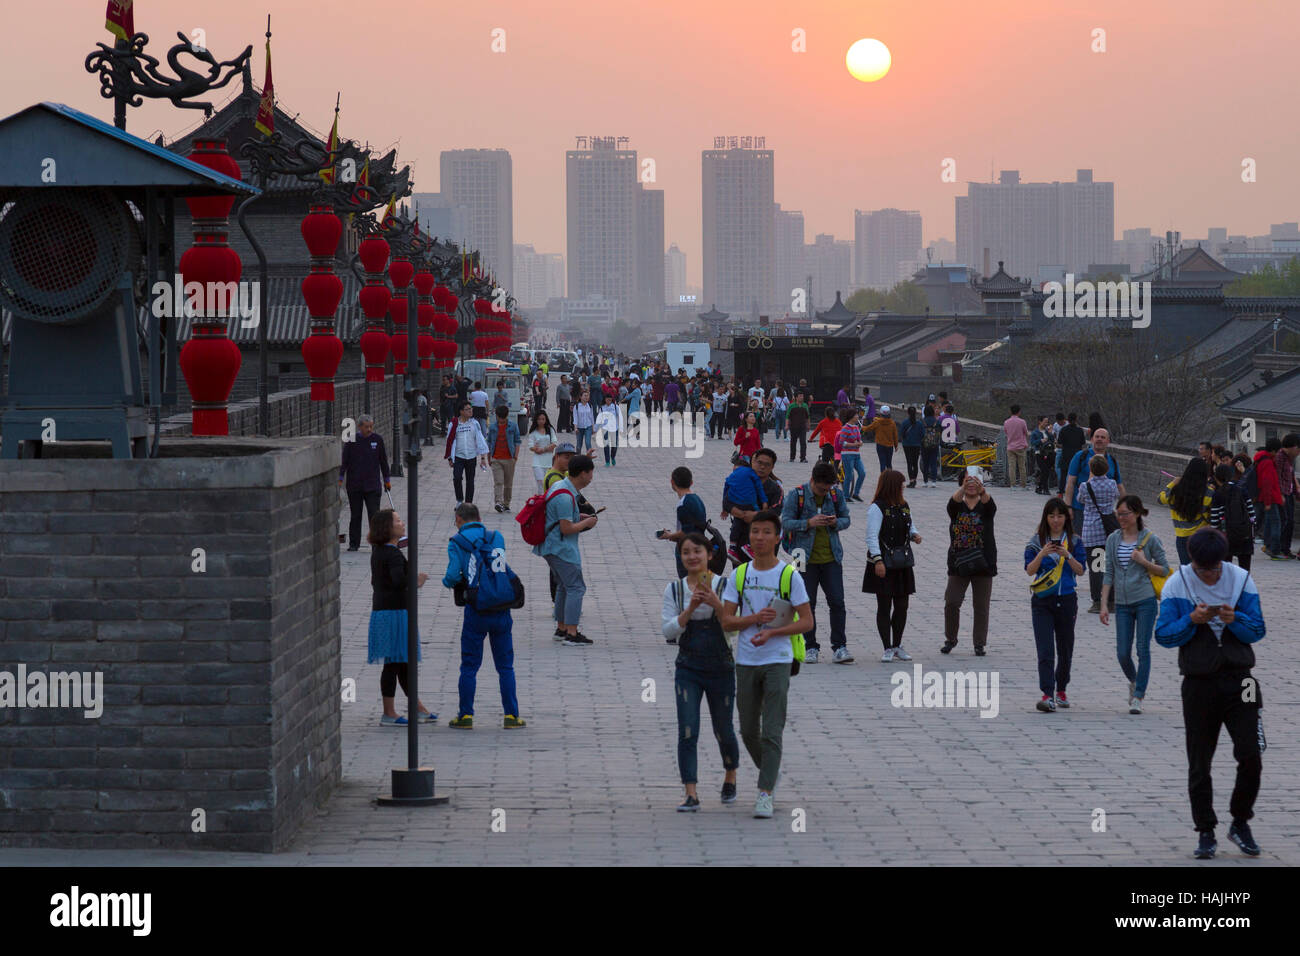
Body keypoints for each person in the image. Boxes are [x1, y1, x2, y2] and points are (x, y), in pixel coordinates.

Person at [1155, 528, 1266, 859]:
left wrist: (1236, 619)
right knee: (1199, 760)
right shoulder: (1178, 583)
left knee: (1251, 755)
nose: (1211, 575)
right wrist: (1192, 619)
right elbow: (1163, 635)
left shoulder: (1241, 580)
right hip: (1199, 681)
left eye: (1215, 568)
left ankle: (1240, 821)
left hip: (1240, 679)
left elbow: (1257, 629)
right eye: (1205, 570)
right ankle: (1205, 829)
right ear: (1193, 562)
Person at [721, 510, 811, 820]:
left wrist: (773, 632)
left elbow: (808, 622)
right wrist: (754, 620)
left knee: (772, 729)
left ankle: (764, 792)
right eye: (755, 532)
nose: (759, 537)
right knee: (747, 730)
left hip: (778, 659)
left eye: (765, 532)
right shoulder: (740, 574)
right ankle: (770, 772)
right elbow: (726, 619)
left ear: (777, 538)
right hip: (746, 659)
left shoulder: (789, 575)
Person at [663, 534, 740, 811]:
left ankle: (730, 775)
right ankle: (690, 792)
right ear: (681, 558)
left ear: (709, 554)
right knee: (687, 729)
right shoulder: (675, 590)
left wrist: (717, 603)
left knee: (724, 729)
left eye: (698, 551)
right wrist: (691, 608)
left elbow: (734, 627)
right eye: (686, 552)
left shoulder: (725, 585)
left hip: (721, 666)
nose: (692, 557)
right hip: (688, 667)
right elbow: (668, 630)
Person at [442, 503, 523, 729]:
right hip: (501, 607)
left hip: (476, 609)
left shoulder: (456, 542)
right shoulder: (496, 537)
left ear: (459, 519)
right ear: (478, 517)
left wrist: (451, 582)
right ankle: (511, 716)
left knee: (469, 666)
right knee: (505, 666)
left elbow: (451, 576)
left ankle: (466, 715)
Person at [1100, 495, 1171, 714]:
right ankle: (1135, 680)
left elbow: (1166, 569)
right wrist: (1104, 604)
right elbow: (1108, 572)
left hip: (1145, 601)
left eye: (1125, 514)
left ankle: (1139, 695)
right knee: (1122, 652)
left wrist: (1144, 562)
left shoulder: (1150, 539)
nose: (1121, 518)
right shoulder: (1113, 539)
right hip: (1121, 603)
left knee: (1142, 648)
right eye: (1118, 514)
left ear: (1137, 514)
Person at [367, 509, 436, 726]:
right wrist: (416, 580)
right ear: (387, 528)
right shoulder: (393, 554)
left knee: (402, 662)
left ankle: (417, 708)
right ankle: (389, 712)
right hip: (394, 613)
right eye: (397, 521)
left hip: (384, 611)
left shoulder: (380, 551)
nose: (402, 523)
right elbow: (398, 580)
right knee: (394, 663)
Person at [780, 461, 852, 665]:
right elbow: (785, 522)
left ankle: (839, 646)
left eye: (829, 488)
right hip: (801, 556)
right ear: (813, 480)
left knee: (837, 602)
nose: (826, 491)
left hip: (832, 557)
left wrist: (835, 522)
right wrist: (808, 523)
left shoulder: (836, 495)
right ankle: (809, 646)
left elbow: (847, 519)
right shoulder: (797, 495)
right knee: (805, 603)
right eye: (822, 488)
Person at [1024, 497, 1087, 712]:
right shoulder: (1035, 540)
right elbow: (1030, 570)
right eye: (1052, 516)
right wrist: (1042, 554)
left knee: (1065, 648)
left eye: (1060, 516)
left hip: (1067, 599)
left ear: (1066, 518)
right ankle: (1047, 693)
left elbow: (1080, 570)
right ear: (1046, 517)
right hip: (1042, 601)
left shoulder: (1076, 541)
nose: (1056, 520)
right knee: (1045, 649)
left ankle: (1061, 689)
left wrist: (1067, 554)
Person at [534, 453, 599, 646]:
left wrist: (578, 516)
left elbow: (562, 519)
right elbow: (566, 528)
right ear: (582, 474)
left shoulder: (561, 487)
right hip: (561, 547)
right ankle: (572, 632)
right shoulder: (565, 495)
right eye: (591, 473)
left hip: (553, 546)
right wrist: (587, 522)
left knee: (564, 586)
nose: (592, 477)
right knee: (576, 587)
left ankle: (561, 628)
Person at [863, 469, 921, 662]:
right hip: (884, 562)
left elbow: (909, 525)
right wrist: (877, 560)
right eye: (901, 484)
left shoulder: (904, 506)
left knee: (902, 605)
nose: (903, 488)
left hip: (902, 562)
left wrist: (915, 534)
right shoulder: (877, 508)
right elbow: (871, 536)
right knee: (884, 604)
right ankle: (887, 646)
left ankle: (897, 644)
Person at [942, 470, 997, 656]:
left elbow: (991, 508)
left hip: (984, 562)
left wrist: (982, 492)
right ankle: (950, 639)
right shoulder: (957, 505)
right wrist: (963, 487)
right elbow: (951, 506)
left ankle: (979, 643)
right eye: (968, 481)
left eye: (975, 481)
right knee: (952, 601)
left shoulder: (985, 505)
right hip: (959, 562)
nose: (971, 484)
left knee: (981, 606)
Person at [339, 414, 391, 552]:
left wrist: (387, 480)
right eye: (366, 427)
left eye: (371, 427)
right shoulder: (351, 441)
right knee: (355, 515)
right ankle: (354, 543)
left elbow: (383, 461)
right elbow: (344, 461)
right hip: (354, 485)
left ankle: (376, 543)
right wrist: (340, 477)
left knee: (374, 516)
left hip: (372, 485)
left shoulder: (377, 440)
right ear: (360, 426)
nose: (369, 429)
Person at [1079, 454, 1119, 614]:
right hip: (1109, 530)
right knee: (1110, 566)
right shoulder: (1112, 484)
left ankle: (1096, 601)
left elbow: (1080, 499)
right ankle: (1111, 600)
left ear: (1091, 469)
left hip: (1092, 531)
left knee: (1096, 568)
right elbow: (1116, 497)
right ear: (1107, 468)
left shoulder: (1085, 486)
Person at [1063, 428, 1124, 529]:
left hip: (1104, 514)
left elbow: (1120, 486)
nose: (1099, 439)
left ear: (1108, 441)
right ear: (1091, 439)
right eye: (1097, 437)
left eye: (1103, 437)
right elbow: (1070, 483)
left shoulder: (1112, 461)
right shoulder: (1080, 456)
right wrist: (1068, 507)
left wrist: (1128, 508)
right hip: (1080, 511)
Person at [1159, 456, 1213, 565]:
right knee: (1202, 569)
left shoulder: (1176, 492)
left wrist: (1173, 483)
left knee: (1187, 571)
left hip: (1182, 538)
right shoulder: (1208, 492)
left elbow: (1160, 499)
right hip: (1201, 537)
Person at [660, 466, 709, 582]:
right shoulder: (697, 499)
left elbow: (686, 532)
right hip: (701, 548)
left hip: (687, 549)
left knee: (688, 584)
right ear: (691, 482)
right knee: (703, 584)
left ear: (672, 482)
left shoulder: (683, 504)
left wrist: (669, 536)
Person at [1211, 463, 1257, 572]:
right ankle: (1244, 587)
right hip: (1245, 535)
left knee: (1225, 571)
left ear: (1216, 478)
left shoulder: (1217, 494)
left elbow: (1214, 521)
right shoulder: (1242, 490)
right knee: (1245, 571)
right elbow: (1252, 515)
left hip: (1226, 536)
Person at [443, 400, 489, 505]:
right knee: (457, 477)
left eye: (471, 408)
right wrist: (450, 457)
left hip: (471, 457)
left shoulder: (475, 423)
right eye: (467, 409)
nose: (470, 411)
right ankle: (459, 500)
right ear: (461, 411)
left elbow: (480, 441)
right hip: (459, 457)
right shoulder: (454, 424)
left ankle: (468, 503)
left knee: (470, 481)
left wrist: (482, 458)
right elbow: (449, 440)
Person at [1252, 437, 1285, 559]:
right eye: (1277, 451)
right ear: (1273, 451)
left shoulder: (1260, 459)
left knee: (1267, 522)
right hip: (1269, 498)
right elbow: (1266, 482)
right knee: (1276, 523)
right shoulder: (1268, 463)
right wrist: (1268, 501)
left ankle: (1267, 545)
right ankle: (1274, 550)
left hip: (1265, 497)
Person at [487, 405, 522, 513]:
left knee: (508, 483)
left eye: (503, 418)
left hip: (509, 458)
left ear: (506, 416)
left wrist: (515, 456)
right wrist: (488, 457)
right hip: (496, 458)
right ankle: (498, 502)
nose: (501, 420)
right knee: (498, 481)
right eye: (499, 417)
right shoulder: (492, 427)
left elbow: (517, 441)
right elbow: (489, 442)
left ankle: (506, 503)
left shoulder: (513, 426)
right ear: (497, 416)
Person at [1276, 434, 1299, 557]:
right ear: (1293, 447)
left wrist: (1296, 490)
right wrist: (1280, 494)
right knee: (1286, 521)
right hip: (1283, 493)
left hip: (1288, 493)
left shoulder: (1289, 458)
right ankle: (1282, 548)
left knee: (1290, 521)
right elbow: (1278, 476)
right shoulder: (1280, 457)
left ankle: (1286, 548)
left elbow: (1291, 476)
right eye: (1298, 450)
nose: (1298, 453)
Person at [837, 407, 866, 501]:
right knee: (849, 475)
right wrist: (854, 444)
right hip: (847, 454)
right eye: (856, 415)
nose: (858, 416)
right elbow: (842, 442)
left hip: (856, 454)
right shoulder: (845, 428)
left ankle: (856, 493)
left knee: (862, 473)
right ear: (851, 416)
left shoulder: (856, 427)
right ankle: (846, 496)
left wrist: (860, 442)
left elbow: (859, 439)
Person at [861, 404, 899, 475]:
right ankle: (890, 479)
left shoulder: (877, 422)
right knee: (889, 463)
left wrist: (862, 427)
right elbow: (895, 435)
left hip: (880, 445)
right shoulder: (892, 423)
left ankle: (883, 479)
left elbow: (868, 428)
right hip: (889, 446)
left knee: (882, 463)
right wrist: (896, 445)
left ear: (881, 413)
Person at [526, 410, 557, 494]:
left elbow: (554, 443)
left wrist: (543, 449)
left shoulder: (550, 430)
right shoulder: (533, 432)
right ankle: (541, 499)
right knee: (540, 483)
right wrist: (535, 449)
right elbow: (531, 445)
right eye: (539, 419)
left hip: (549, 462)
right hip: (537, 462)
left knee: (548, 484)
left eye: (543, 419)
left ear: (546, 419)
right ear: (536, 420)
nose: (541, 421)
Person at [1055, 413, 1086, 495]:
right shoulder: (1080, 431)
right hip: (1077, 455)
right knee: (1076, 474)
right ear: (1076, 420)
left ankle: (1061, 491)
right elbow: (1083, 443)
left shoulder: (1063, 430)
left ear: (1067, 420)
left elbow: (1059, 443)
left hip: (1065, 455)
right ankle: (1076, 490)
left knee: (1063, 474)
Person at [1004, 404, 1030, 490]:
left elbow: (1006, 433)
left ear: (1011, 412)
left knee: (1012, 466)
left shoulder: (1006, 422)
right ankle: (1023, 485)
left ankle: (1013, 485)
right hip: (1020, 446)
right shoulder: (1022, 422)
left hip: (1010, 446)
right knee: (1022, 466)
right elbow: (1026, 433)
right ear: (1019, 412)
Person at [898, 406, 923, 489]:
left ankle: (911, 480)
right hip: (916, 445)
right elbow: (922, 434)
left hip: (907, 445)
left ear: (908, 413)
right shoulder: (919, 423)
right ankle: (914, 479)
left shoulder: (905, 422)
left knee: (909, 463)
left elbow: (901, 433)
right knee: (915, 463)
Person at [1031, 416, 1055, 494]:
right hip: (1039, 453)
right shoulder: (1035, 432)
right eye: (1045, 421)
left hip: (1049, 454)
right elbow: (1032, 443)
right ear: (1040, 422)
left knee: (1046, 471)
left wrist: (1051, 433)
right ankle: (1045, 489)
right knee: (1044, 470)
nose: (1046, 423)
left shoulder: (1047, 432)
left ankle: (1039, 487)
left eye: (1047, 422)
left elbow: (1052, 441)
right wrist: (1041, 440)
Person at [596, 394, 621, 467]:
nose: (608, 401)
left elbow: (620, 417)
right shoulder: (602, 408)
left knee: (615, 445)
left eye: (610, 400)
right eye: (607, 399)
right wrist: (595, 429)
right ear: (605, 399)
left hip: (614, 428)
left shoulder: (616, 407)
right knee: (606, 445)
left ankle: (612, 457)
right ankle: (607, 461)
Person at [920, 403, 941, 488]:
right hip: (934, 444)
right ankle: (933, 481)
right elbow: (941, 431)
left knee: (925, 463)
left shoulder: (922, 421)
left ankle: (925, 481)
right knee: (933, 463)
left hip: (924, 444)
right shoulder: (937, 421)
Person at [786, 392, 810, 463]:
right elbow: (787, 416)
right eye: (800, 396)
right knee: (793, 442)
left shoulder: (805, 405)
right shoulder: (792, 406)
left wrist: (808, 425)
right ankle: (792, 457)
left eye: (802, 396)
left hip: (802, 427)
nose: (801, 397)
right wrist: (786, 425)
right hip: (793, 427)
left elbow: (807, 416)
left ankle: (803, 458)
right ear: (796, 397)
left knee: (803, 442)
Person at [572, 390, 595, 454]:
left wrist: (593, 428)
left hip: (588, 427)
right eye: (585, 395)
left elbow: (592, 417)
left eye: (588, 396)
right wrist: (575, 428)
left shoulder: (590, 406)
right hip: (579, 428)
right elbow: (575, 418)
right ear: (580, 397)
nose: (586, 397)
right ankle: (578, 458)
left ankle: (589, 458)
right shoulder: (576, 407)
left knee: (588, 443)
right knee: (579, 445)